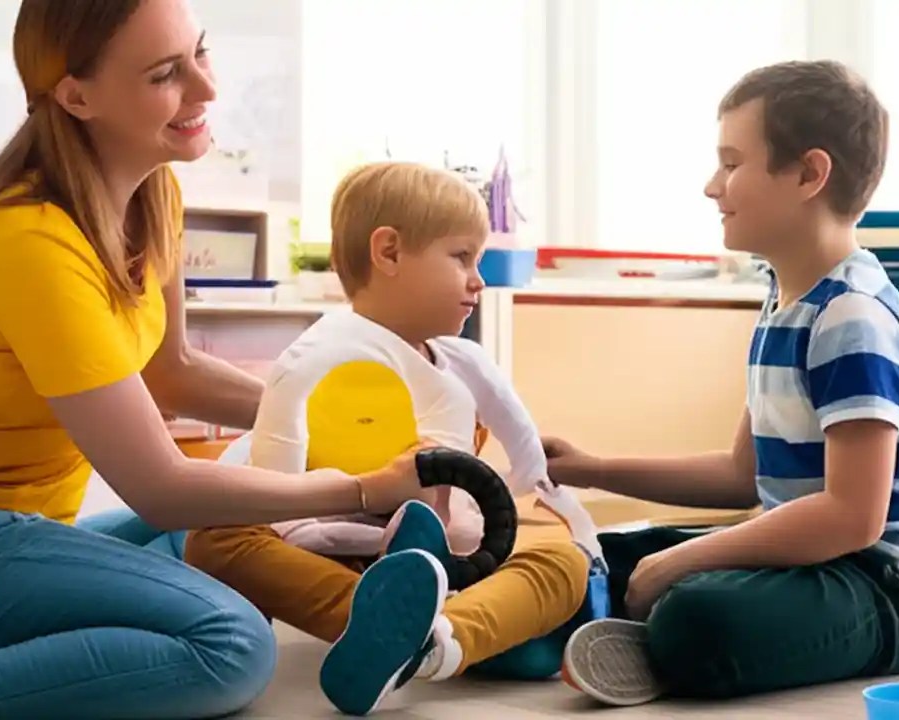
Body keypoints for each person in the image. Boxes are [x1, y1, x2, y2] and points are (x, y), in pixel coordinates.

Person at [0, 2, 433, 718]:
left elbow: (171, 372)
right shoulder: (26, 243)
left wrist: (359, 427)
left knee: (235, 504)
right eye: (167, 74)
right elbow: (161, 490)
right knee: (232, 642)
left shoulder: (154, 194)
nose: (206, 89)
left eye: (200, 54)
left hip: (30, 530)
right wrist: (361, 487)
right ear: (77, 96)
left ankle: (378, 609)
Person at [547, 59, 899, 706]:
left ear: (808, 173)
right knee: (584, 557)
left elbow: (854, 517)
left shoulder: (853, 316)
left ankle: (647, 639)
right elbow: (742, 474)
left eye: (732, 162)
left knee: (695, 614)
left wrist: (685, 559)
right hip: (808, 564)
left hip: (886, 587)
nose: (712, 186)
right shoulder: (785, 302)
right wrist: (595, 468)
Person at [184, 163, 593, 716]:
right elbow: (273, 487)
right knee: (216, 541)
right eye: (461, 258)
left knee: (562, 561)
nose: (480, 280)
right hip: (338, 546)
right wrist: (360, 501)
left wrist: (560, 516)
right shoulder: (313, 358)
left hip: (458, 549)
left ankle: (437, 642)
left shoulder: (463, 360)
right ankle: (410, 620)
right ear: (390, 253)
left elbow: (526, 460)